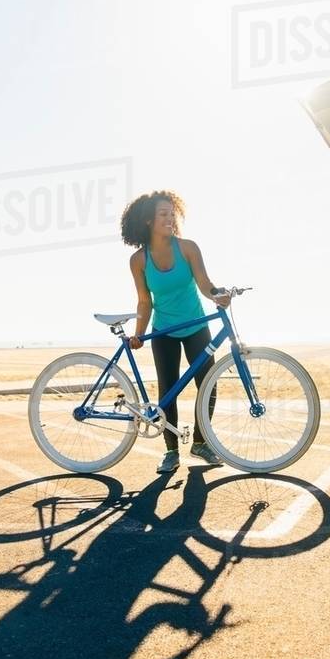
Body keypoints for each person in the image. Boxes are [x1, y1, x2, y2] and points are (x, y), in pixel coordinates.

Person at [120, 191, 230, 473]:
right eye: (163, 214)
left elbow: (205, 284)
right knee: (167, 390)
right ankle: (171, 452)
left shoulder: (188, 248)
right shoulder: (139, 261)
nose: (170, 219)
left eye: (172, 213)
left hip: (195, 325)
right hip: (163, 331)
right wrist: (139, 333)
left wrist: (218, 295)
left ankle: (201, 443)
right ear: (148, 221)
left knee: (208, 384)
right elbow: (145, 300)